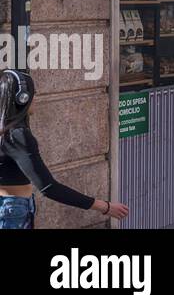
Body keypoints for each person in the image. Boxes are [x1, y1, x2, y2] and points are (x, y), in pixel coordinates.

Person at [0, 70, 129, 228]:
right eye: (34, 94)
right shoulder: (17, 136)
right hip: (12, 211)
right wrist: (104, 207)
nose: (36, 99)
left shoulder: (6, 132)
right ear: (22, 98)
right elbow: (49, 188)